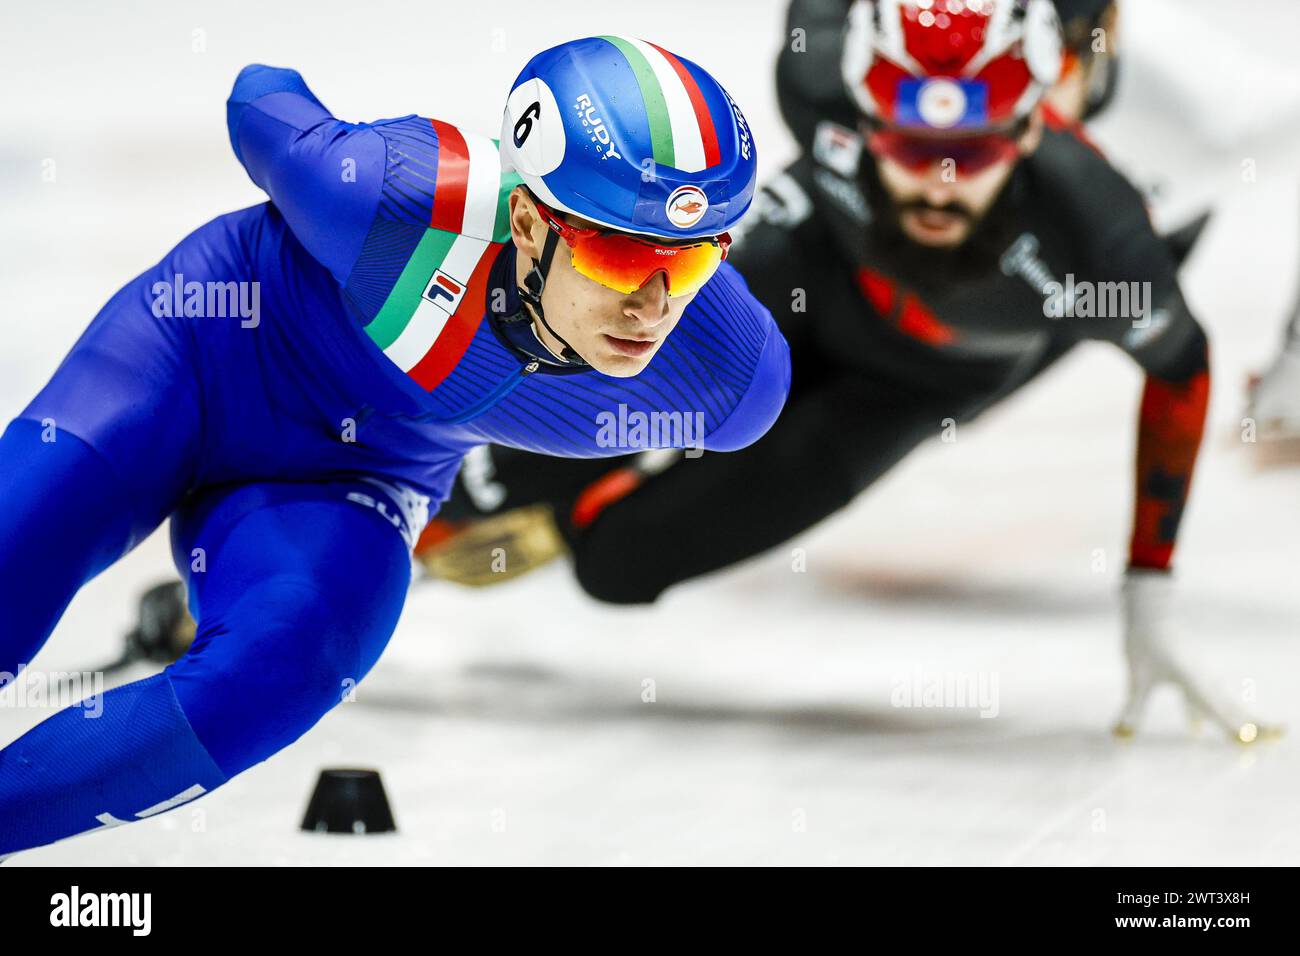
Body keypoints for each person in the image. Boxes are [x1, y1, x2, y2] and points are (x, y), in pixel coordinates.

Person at [0, 37, 790, 859]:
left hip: (351, 479)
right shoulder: (393, 196)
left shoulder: (724, 380)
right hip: (194, 361)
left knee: (290, 665)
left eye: (693, 258)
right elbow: (259, 96)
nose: (653, 304)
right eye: (618, 254)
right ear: (525, 220)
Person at [419, 0, 1271, 743]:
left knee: (620, 567)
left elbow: (1183, 366)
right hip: (805, 268)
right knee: (518, 442)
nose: (936, 184)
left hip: (918, 384)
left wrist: (1148, 585)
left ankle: (567, 516)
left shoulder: (1094, 234)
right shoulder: (817, 71)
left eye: (970, 154)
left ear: (1031, 129)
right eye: (905, 143)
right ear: (859, 110)